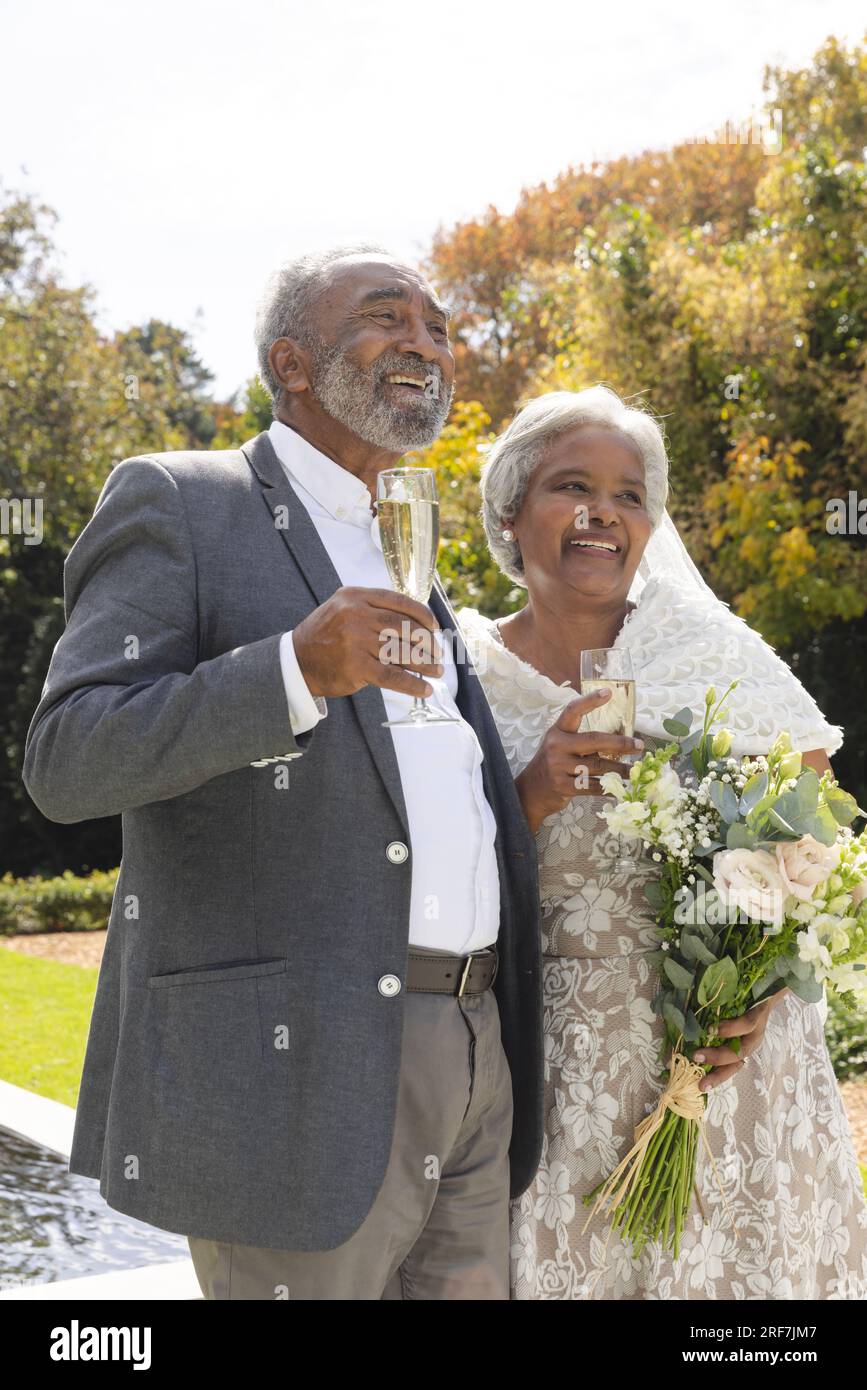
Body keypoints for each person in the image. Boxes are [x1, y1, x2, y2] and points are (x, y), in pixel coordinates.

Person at [22, 245, 544, 1300]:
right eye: (387, 316)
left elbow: (415, 796)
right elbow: (69, 755)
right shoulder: (180, 499)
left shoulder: (407, 534)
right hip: (298, 1068)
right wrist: (289, 673)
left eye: (440, 327)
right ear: (292, 363)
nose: (426, 344)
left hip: (478, 1047)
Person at [457, 384, 867, 1299]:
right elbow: (424, 874)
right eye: (572, 485)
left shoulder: (709, 651)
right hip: (551, 1062)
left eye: (629, 494)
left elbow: (824, 838)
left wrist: (760, 990)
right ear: (509, 510)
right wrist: (528, 795)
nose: (603, 511)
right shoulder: (461, 677)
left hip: (725, 1058)